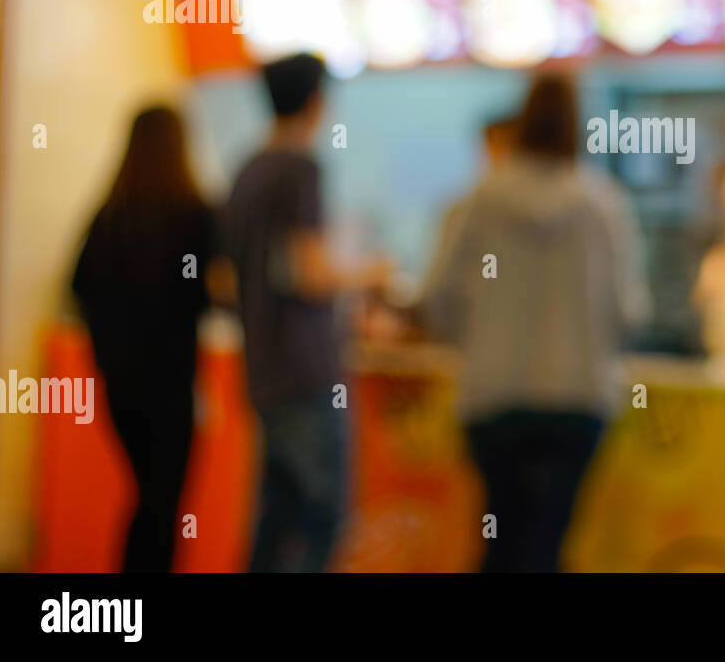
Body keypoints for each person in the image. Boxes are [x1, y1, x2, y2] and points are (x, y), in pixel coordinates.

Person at [422, 74, 651, 572]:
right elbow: (629, 313)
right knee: (549, 545)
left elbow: (436, 297)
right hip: (578, 401)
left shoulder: (475, 203)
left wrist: (479, 335)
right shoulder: (605, 207)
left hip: (492, 398)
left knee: (499, 543)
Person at [221, 52, 389, 573]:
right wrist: (372, 273)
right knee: (323, 519)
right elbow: (309, 272)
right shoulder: (300, 168)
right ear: (317, 101)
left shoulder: (247, 169)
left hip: (264, 369)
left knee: (275, 520)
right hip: (305, 369)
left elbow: (225, 278)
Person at [72, 105, 218, 572]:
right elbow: (208, 294)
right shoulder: (194, 216)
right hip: (172, 385)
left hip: (119, 385)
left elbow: (77, 287)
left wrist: (107, 347)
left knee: (147, 500)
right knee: (164, 505)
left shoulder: (109, 218)